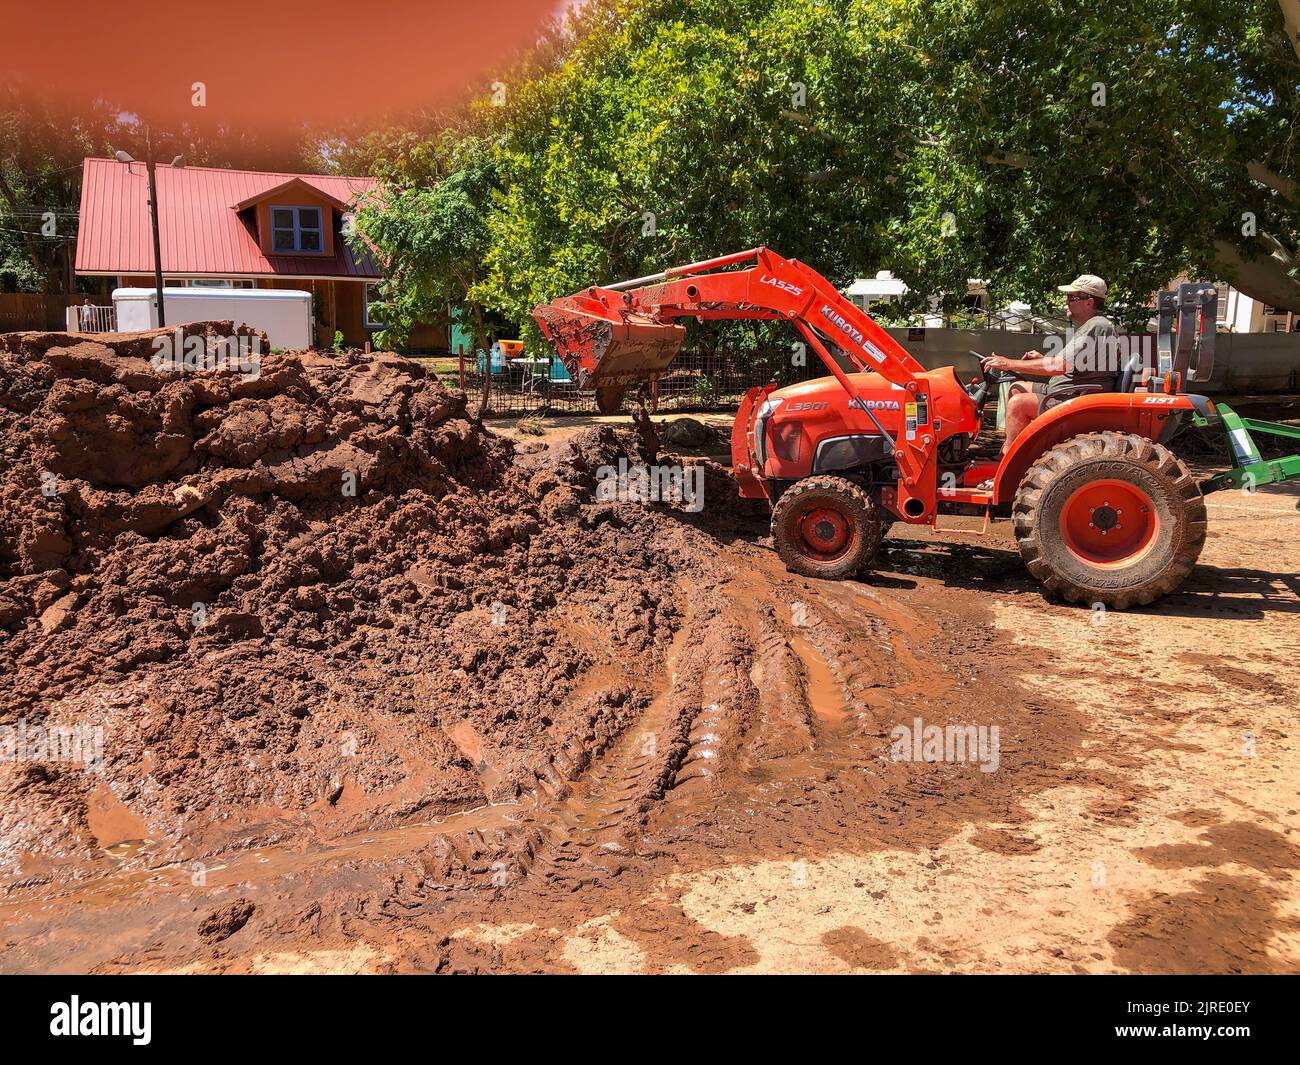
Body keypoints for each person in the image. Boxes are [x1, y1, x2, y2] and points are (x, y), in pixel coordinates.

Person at [980, 274, 1118, 455]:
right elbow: (1072, 364)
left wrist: (1009, 363)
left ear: (1089, 302)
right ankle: (1028, 450)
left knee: (1018, 403)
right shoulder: (1092, 325)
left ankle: (1010, 462)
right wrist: (1041, 358)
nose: (1066, 302)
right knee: (1017, 387)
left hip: (1076, 397)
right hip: (1069, 391)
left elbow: (1059, 366)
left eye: (1072, 298)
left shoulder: (1097, 325)